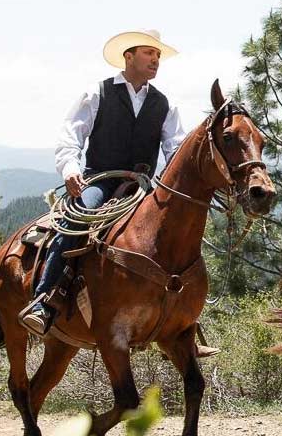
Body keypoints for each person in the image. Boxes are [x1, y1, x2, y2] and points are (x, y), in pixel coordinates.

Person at [19, 29, 190, 337]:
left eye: (158, 56)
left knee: (176, 235)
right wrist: (70, 168)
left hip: (142, 186)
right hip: (101, 179)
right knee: (77, 219)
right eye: (149, 53)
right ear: (129, 56)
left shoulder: (164, 104)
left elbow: (175, 151)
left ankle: (184, 321)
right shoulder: (98, 93)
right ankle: (43, 302)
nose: (156, 60)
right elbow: (71, 136)